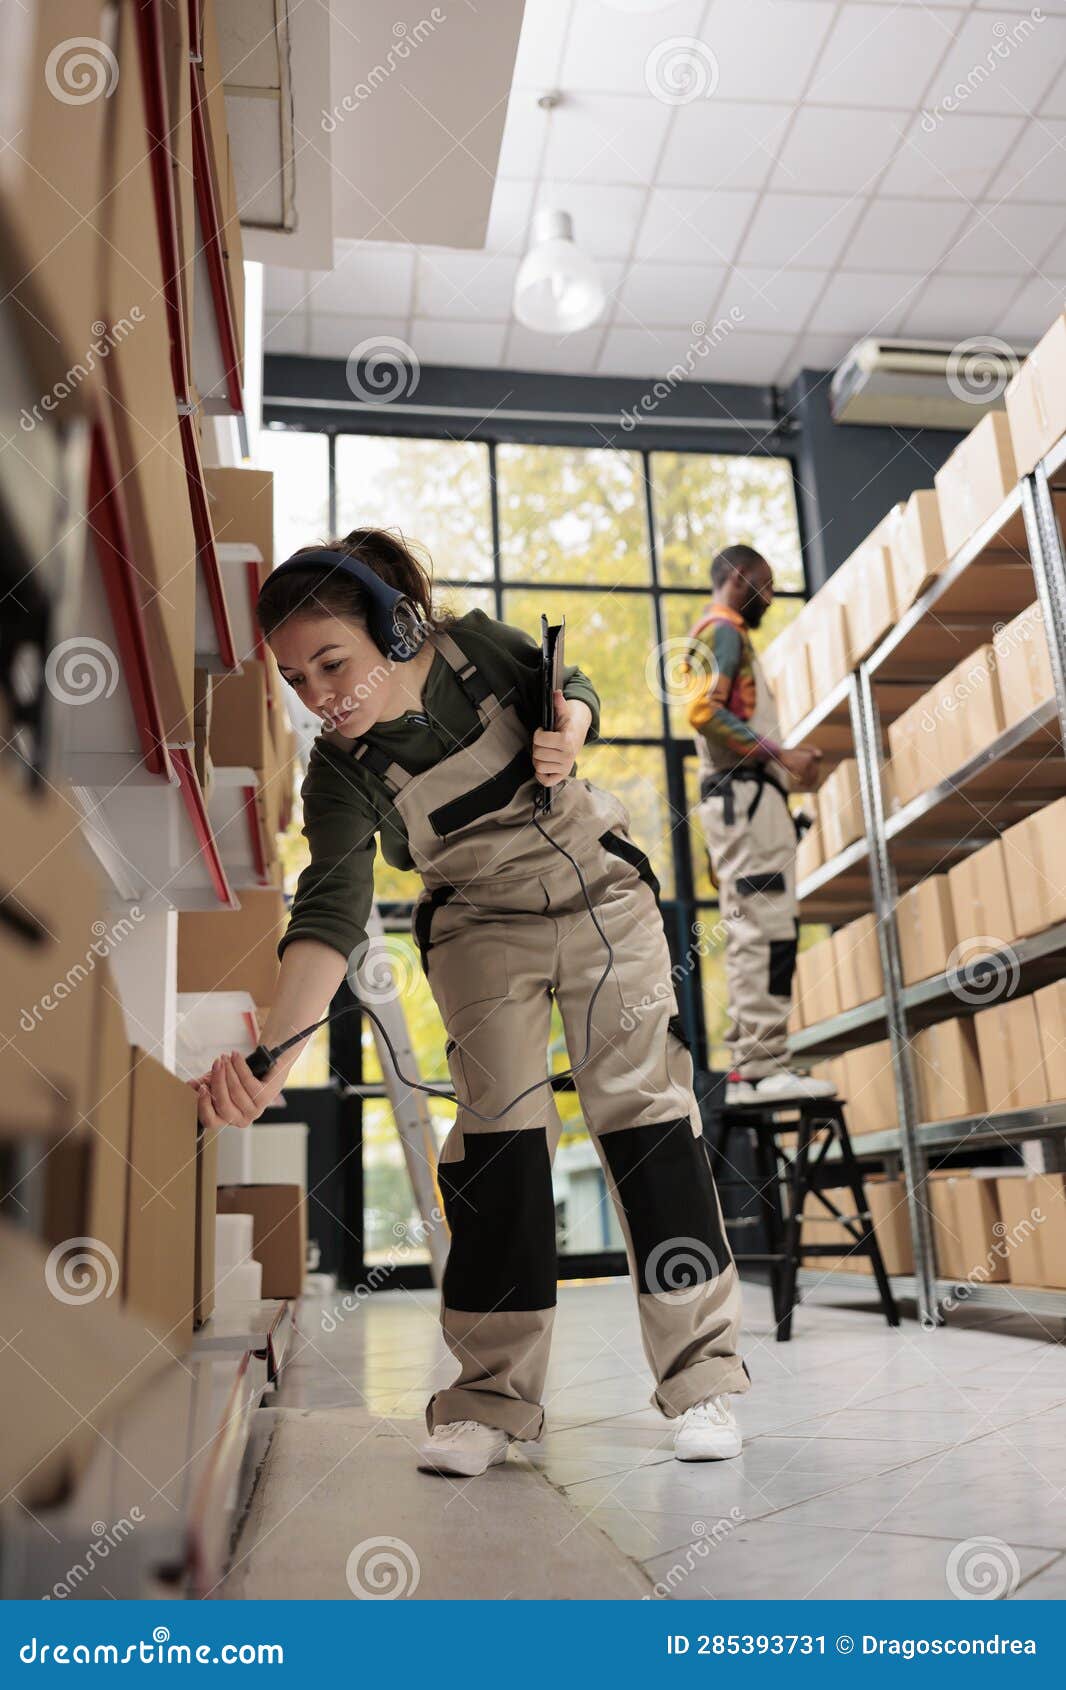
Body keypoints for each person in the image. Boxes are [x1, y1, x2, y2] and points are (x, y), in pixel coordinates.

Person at [190, 529, 750, 1477]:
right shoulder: (340, 773)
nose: (319, 695)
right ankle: (488, 1400)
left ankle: (702, 1380)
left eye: (333, 664)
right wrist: (276, 1054)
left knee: (646, 1120)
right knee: (498, 1141)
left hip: (602, 896)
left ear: (397, 631)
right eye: (295, 679)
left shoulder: (477, 650)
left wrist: (571, 725)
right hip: (479, 927)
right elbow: (330, 907)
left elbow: (570, 685)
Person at [683, 544, 833, 1105]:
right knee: (763, 928)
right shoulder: (723, 632)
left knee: (763, 925)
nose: (769, 597)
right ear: (739, 577)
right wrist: (781, 754)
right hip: (744, 798)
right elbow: (703, 711)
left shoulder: (723, 637)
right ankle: (760, 1068)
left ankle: (756, 1065)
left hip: (743, 802)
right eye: (764, 585)